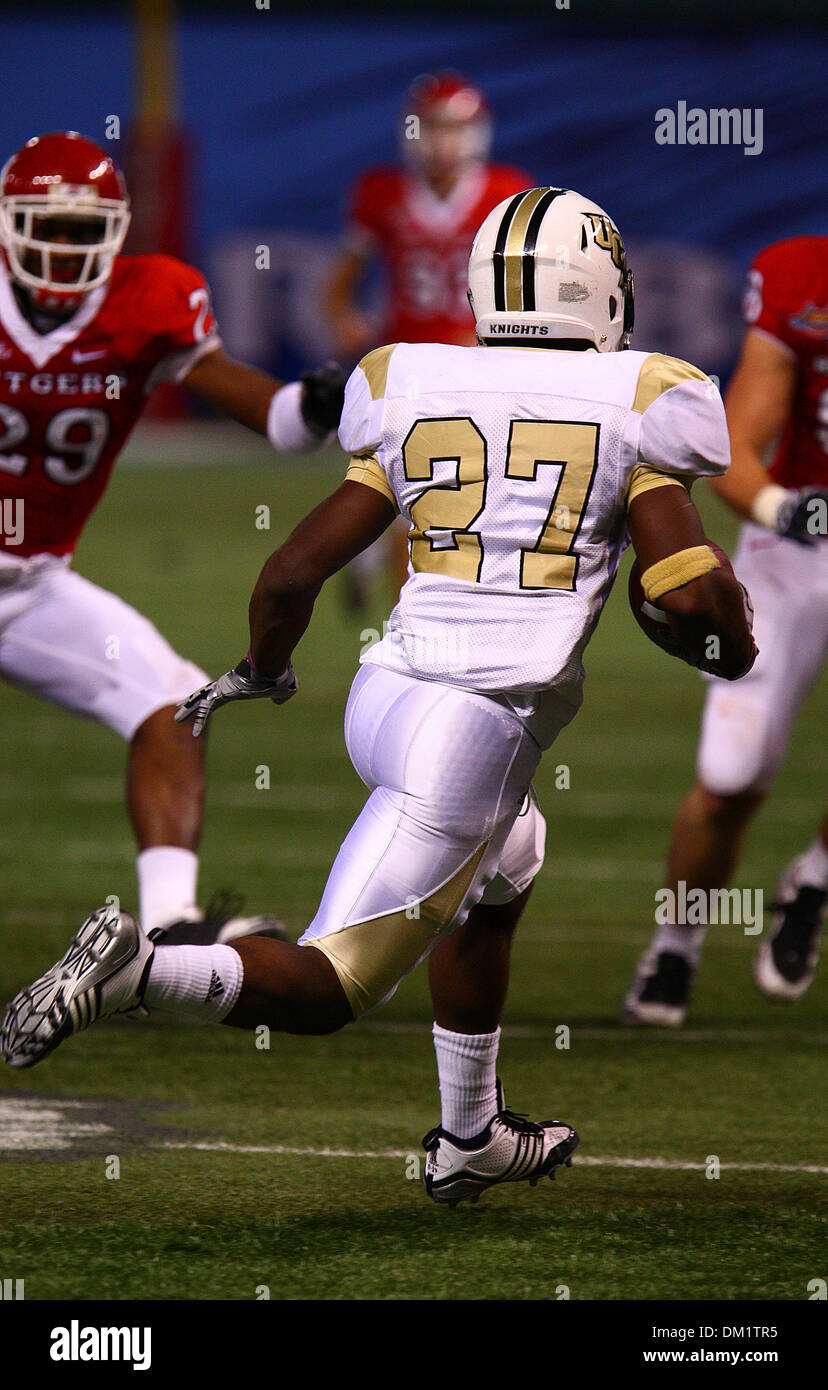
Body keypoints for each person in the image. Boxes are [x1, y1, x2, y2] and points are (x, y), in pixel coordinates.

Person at [2, 188, 756, 1208]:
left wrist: (265, 668)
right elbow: (688, 589)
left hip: (384, 691)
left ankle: (471, 1132)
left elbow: (288, 573)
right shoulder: (645, 396)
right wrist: (728, 639)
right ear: (601, 292)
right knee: (330, 987)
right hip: (475, 729)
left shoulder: (410, 376)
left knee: (514, 859)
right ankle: (139, 972)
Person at [0, 131, 345, 945]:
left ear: (117, 236)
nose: (61, 247)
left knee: (175, 703)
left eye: (83, 231)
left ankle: (169, 928)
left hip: (30, 587)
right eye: (45, 226)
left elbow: (269, 416)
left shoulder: (148, 301)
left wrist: (315, 405)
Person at [623, 237, 828, 1026]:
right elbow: (734, 449)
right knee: (732, 773)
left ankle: (813, 879)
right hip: (802, 545)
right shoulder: (801, 277)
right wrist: (787, 509)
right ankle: (676, 942)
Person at [326, 71, 533, 611]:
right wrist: (344, 314)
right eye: (436, 128)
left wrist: (494, 334)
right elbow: (342, 276)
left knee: (452, 490)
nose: (444, 141)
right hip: (405, 361)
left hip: (477, 362)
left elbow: (522, 285)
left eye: (456, 128)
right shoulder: (382, 192)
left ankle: (375, 561)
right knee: (413, 493)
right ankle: (406, 606)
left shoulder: (505, 190)